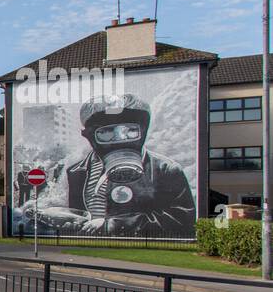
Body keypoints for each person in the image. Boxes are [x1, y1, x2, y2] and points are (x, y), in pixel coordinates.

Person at [27, 93, 195, 237]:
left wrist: (113, 225)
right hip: (88, 248)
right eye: (106, 133)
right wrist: (68, 221)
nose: (119, 139)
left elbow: (182, 219)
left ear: (142, 131)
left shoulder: (165, 170)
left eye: (129, 131)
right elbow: (78, 214)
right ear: (89, 136)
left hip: (132, 249)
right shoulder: (77, 172)